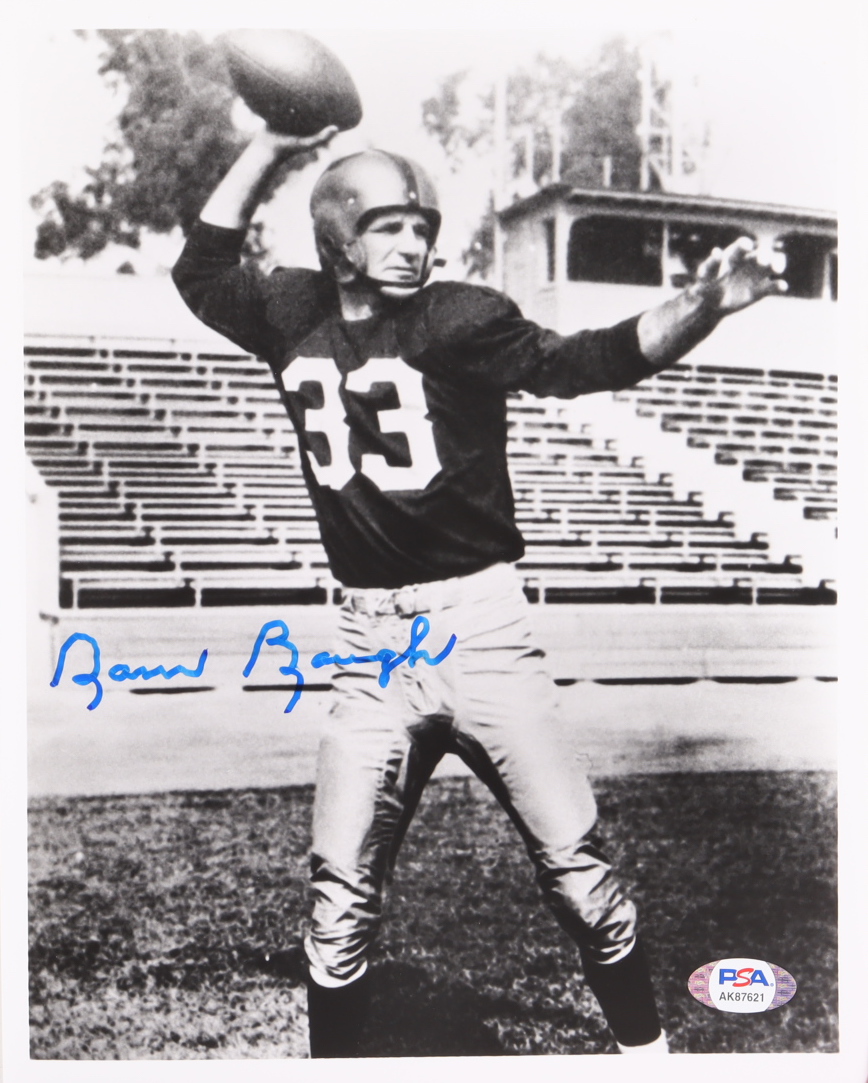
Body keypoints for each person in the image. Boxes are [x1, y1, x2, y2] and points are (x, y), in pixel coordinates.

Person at [172, 124, 786, 1058]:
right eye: (388, 227)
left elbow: (590, 360)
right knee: (338, 890)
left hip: (482, 625)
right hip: (369, 642)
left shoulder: (458, 317)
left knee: (579, 871)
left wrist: (700, 308)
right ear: (337, 238)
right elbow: (201, 265)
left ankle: (649, 1056)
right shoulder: (290, 307)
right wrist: (270, 140)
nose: (414, 245)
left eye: (422, 227)